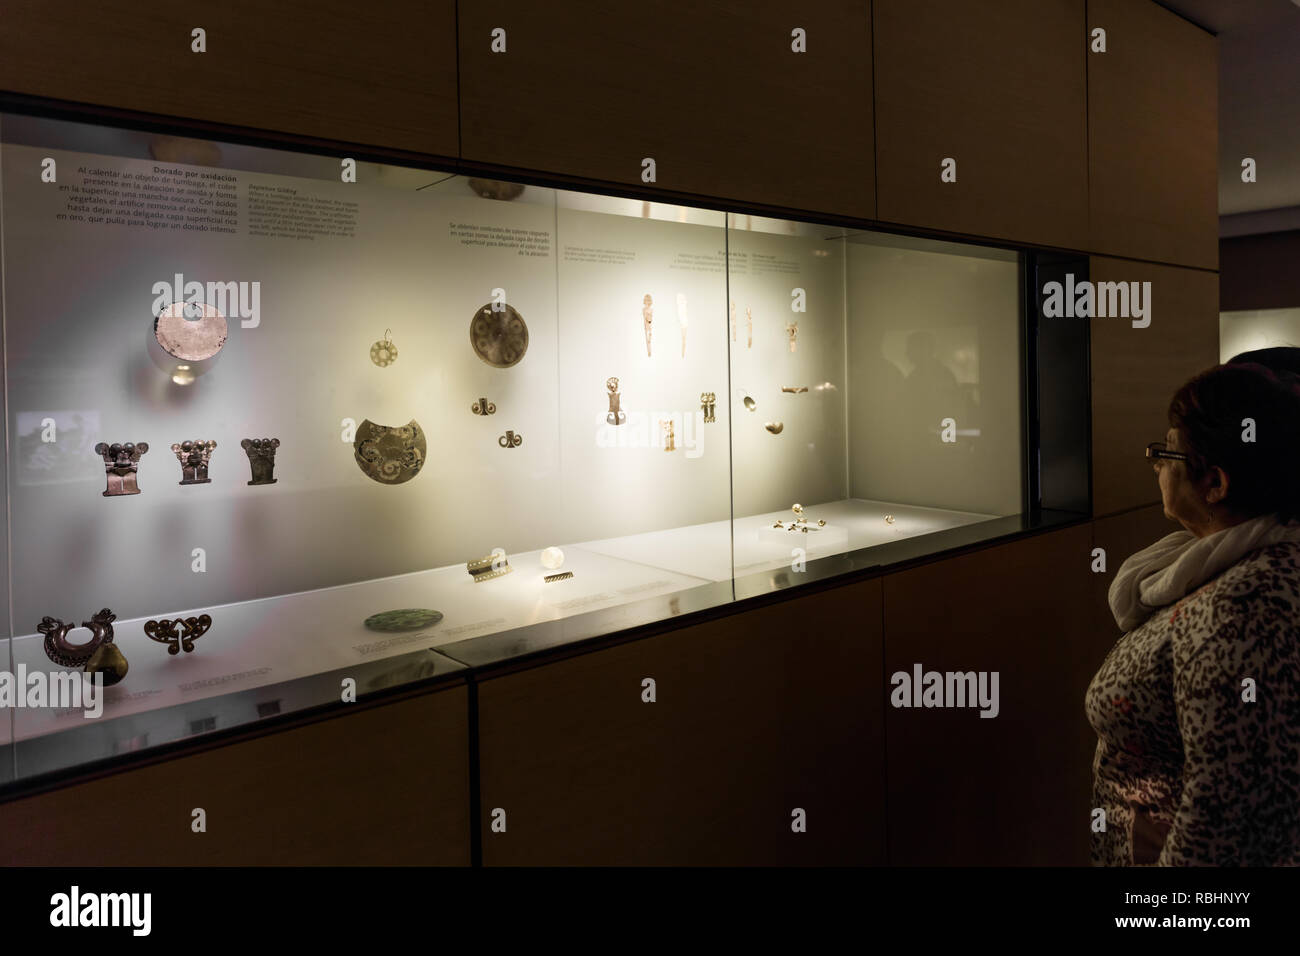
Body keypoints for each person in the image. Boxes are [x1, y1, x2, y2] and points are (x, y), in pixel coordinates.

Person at [1086, 360, 1300, 865]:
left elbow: (1225, 825)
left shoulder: (1245, 611)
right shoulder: (1238, 561)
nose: (1156, 465)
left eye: (1166, 453)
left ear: (1216, 483)